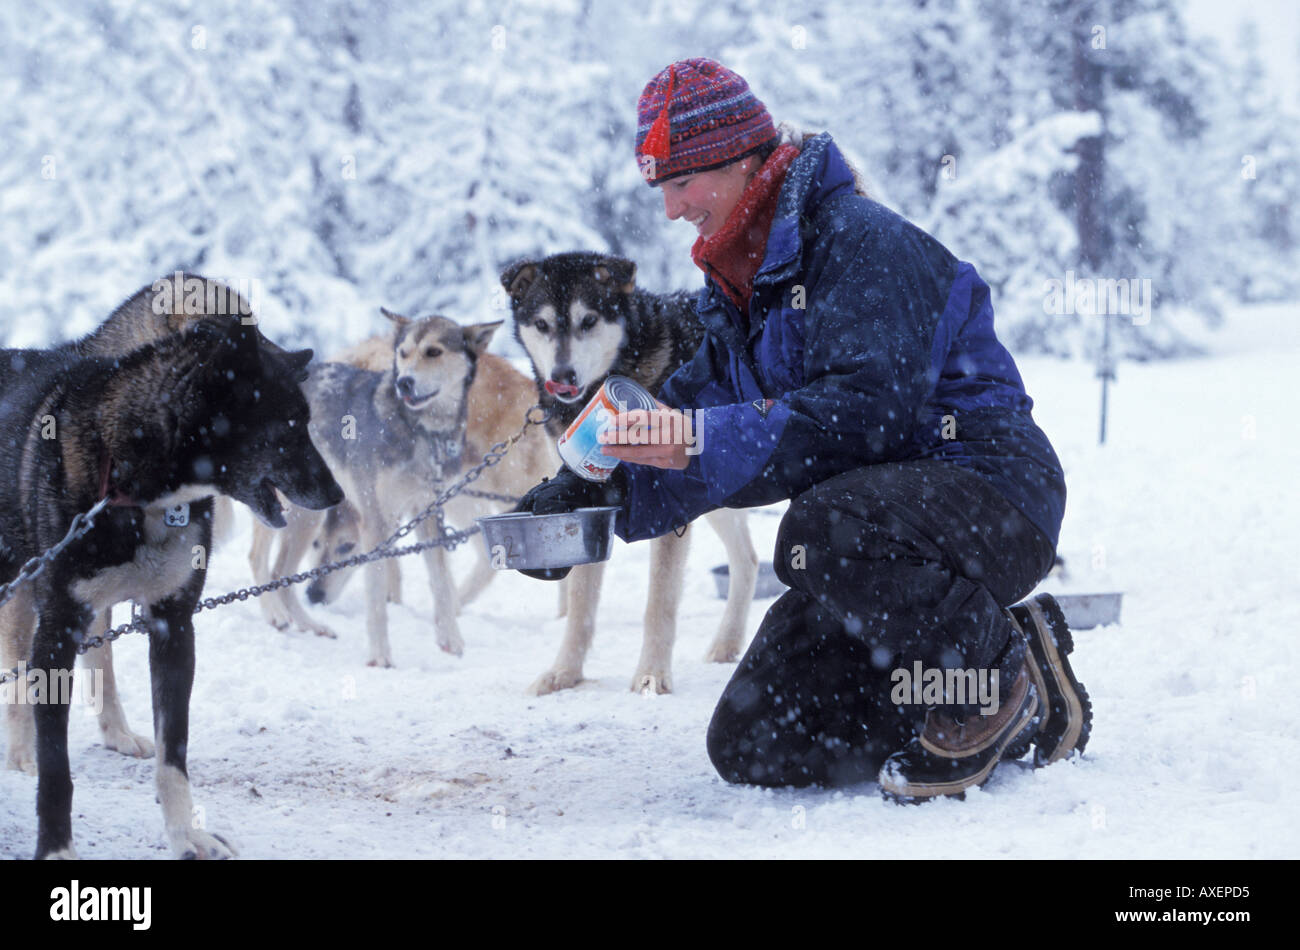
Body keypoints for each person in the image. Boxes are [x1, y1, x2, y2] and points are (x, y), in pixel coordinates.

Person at [514, 58, 1089, 802]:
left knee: (816, 528)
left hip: (991, 492)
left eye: (683, 182)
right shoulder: (742, 290)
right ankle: (1028, 682)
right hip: (873, 535)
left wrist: (696, 440)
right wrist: (580, 495)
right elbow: (676, 408)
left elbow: (864, 417)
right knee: (756, 741)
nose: (670, 209)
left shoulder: (863, 244)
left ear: (742, 158)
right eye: (661, 188)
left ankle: (987, 678)